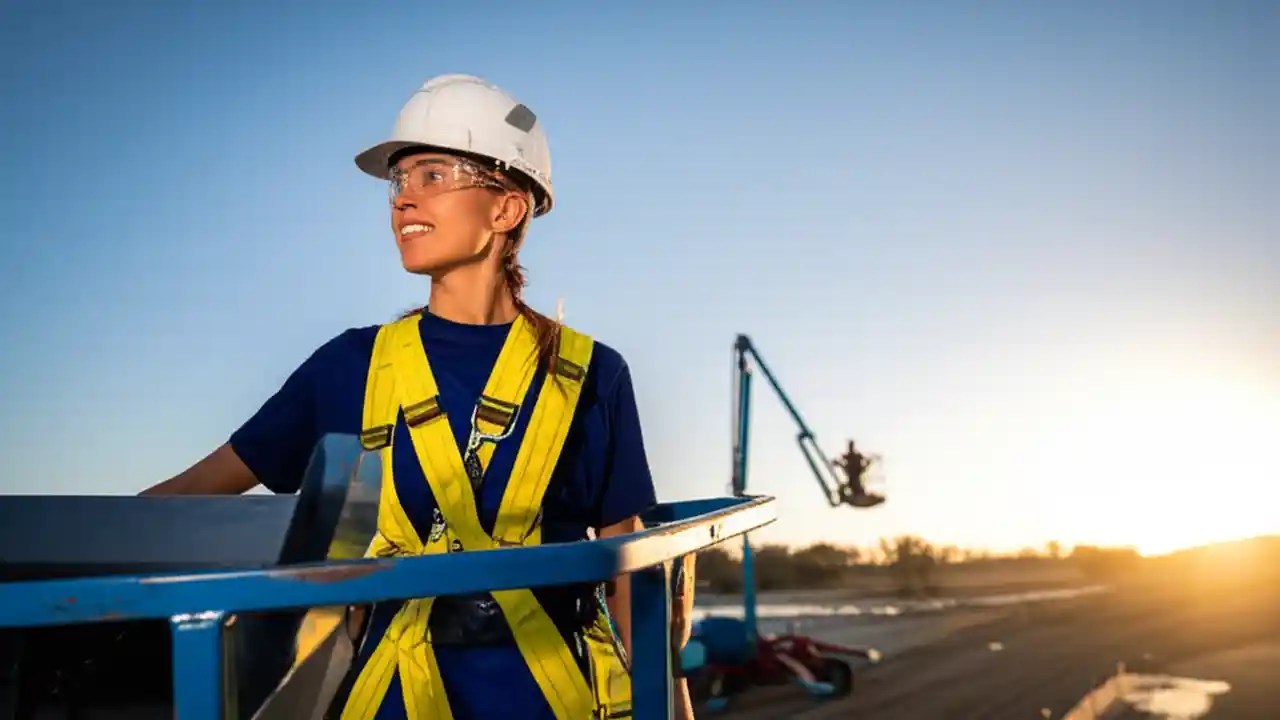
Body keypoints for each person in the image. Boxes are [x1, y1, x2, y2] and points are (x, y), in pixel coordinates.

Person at [143, 74, 695, 719]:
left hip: (553, 698)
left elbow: (629, 559)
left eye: (432, 175)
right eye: (398, 182)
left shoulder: (592, 373)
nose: (403, 200)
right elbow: (192, 493)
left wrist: (672, 702)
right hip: (393, 699)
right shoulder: (351, 366)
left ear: (506, 209)